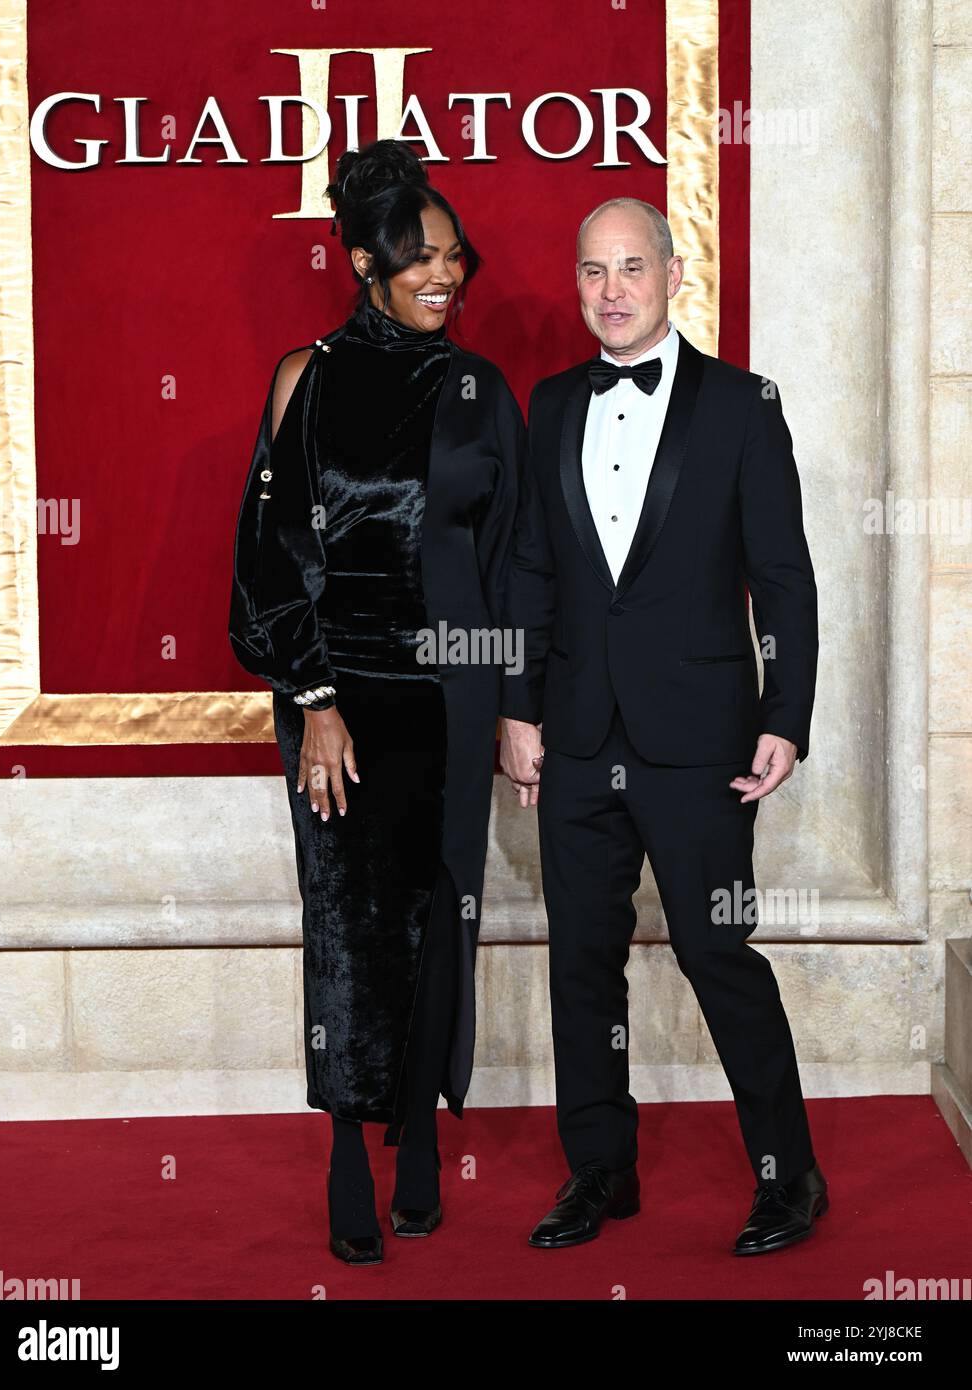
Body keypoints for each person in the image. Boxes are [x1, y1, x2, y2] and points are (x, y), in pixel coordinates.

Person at [500, 196, 828, 1255]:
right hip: (578, 733)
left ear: (674, 273)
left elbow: (780, 574)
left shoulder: (739, 404)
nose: (610, 291)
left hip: (698, 735)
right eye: (592, 271)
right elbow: (530, 570)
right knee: (581, 962)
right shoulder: (548, 403)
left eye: (630, 268)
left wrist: (786, 714)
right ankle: (599, 1172)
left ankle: (787, 1178)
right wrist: (515, 707)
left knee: (714, 950)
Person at [229, 140, 524, 1265]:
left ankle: (415, 1147)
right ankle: (346, 1153)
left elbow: (510, 563)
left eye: (455, 256)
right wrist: (311, 695)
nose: (444, 277)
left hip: (450, 693)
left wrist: (509, 704)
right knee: (350, 927)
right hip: (336, 699)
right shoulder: (304, 377)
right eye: (419, 259)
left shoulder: (478, 389)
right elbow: (267, 555)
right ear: (363, 263)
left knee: (438, 920)